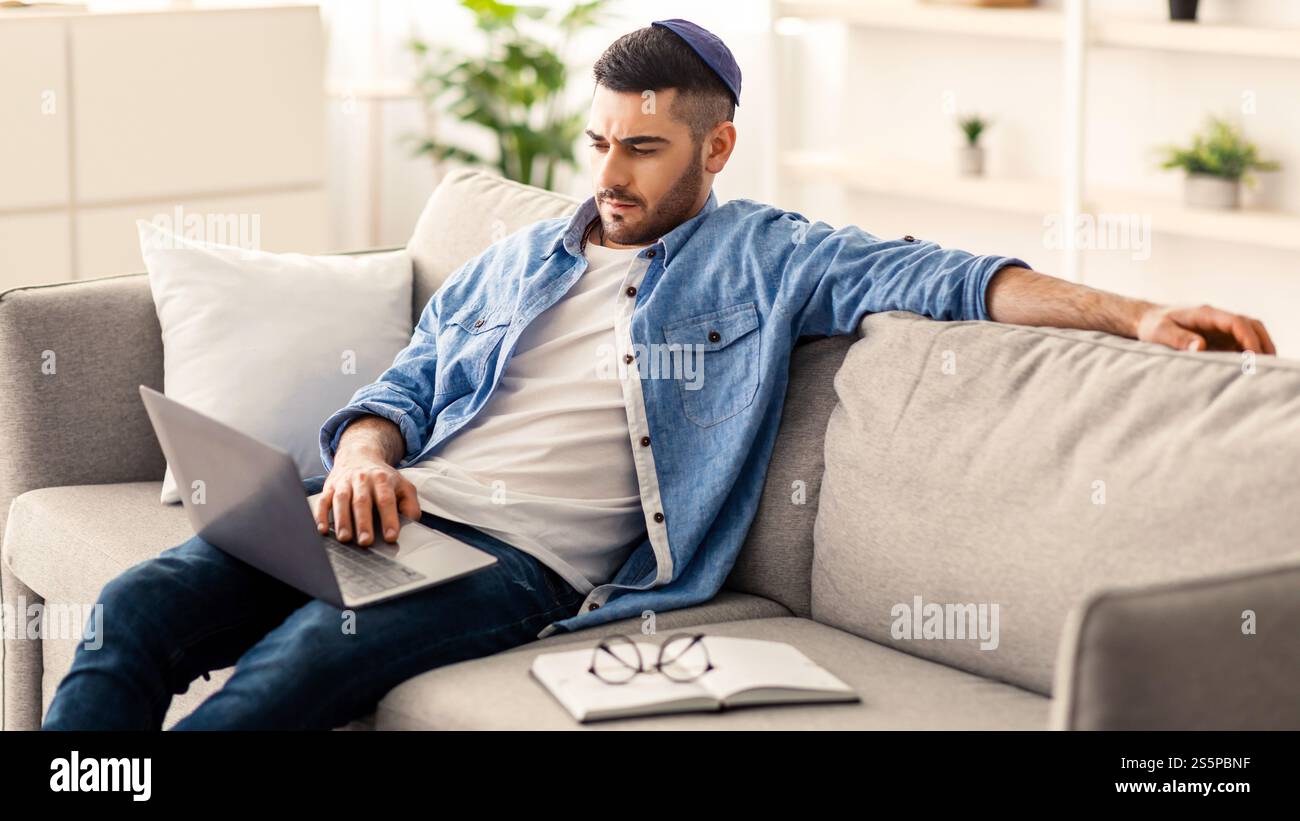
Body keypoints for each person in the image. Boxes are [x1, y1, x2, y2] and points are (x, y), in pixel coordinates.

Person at [43, 19, 1274, 730]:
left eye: (643, 148)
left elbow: (956, 274)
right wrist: (366, 447)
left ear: (714, 146)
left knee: (299, 666)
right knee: (136, 611)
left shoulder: (772, 256)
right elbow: (413, 375)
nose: (610, 175)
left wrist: (1136, 308)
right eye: (599, 143)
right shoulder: (529, 252)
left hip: (523, 564)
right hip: (389, 508)